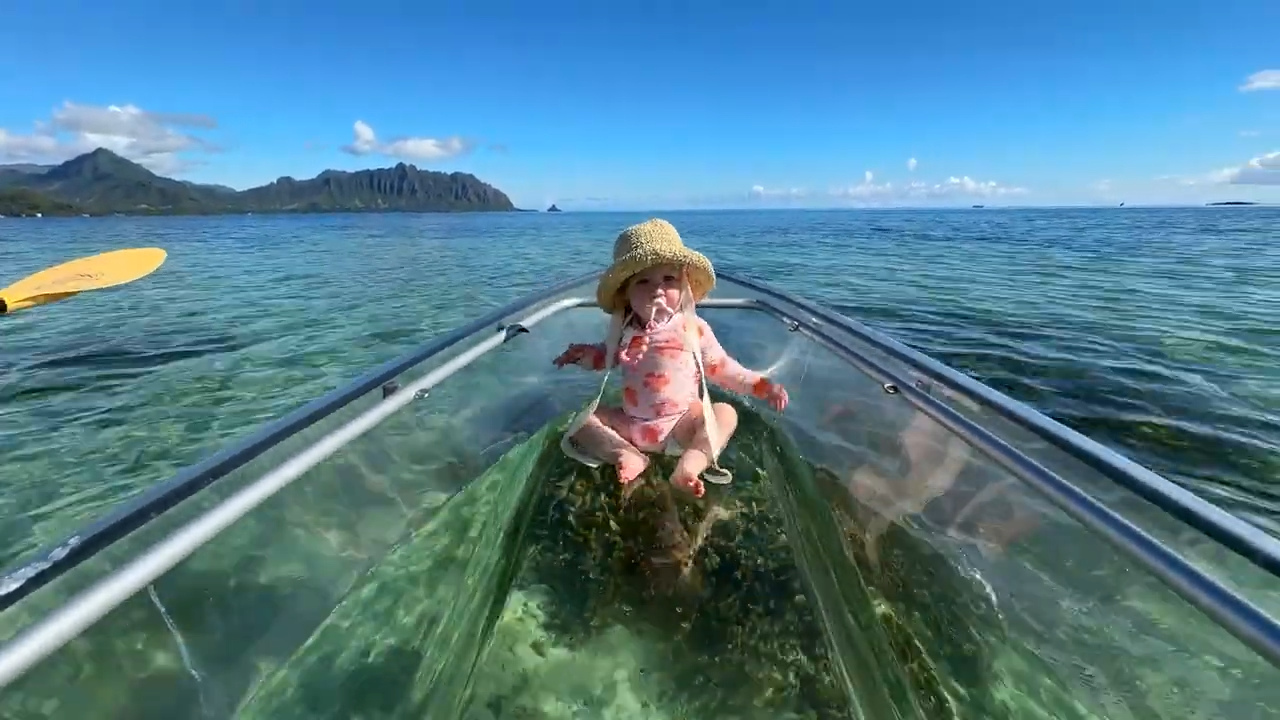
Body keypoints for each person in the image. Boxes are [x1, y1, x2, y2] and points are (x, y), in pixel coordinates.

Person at [553, 218, 789, 498]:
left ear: (685, 285)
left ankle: (690, 466)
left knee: (726, 414)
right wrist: (582, 355)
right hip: (633, 426)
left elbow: (723, 369)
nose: (657, 290)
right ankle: (625, 454)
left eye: (668, 279)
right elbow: (605, 358)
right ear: (626, 294)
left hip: (682, 426)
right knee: (583, 420)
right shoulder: (624, 331)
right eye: (643, 281)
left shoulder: (693, 328)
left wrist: (762, 386)